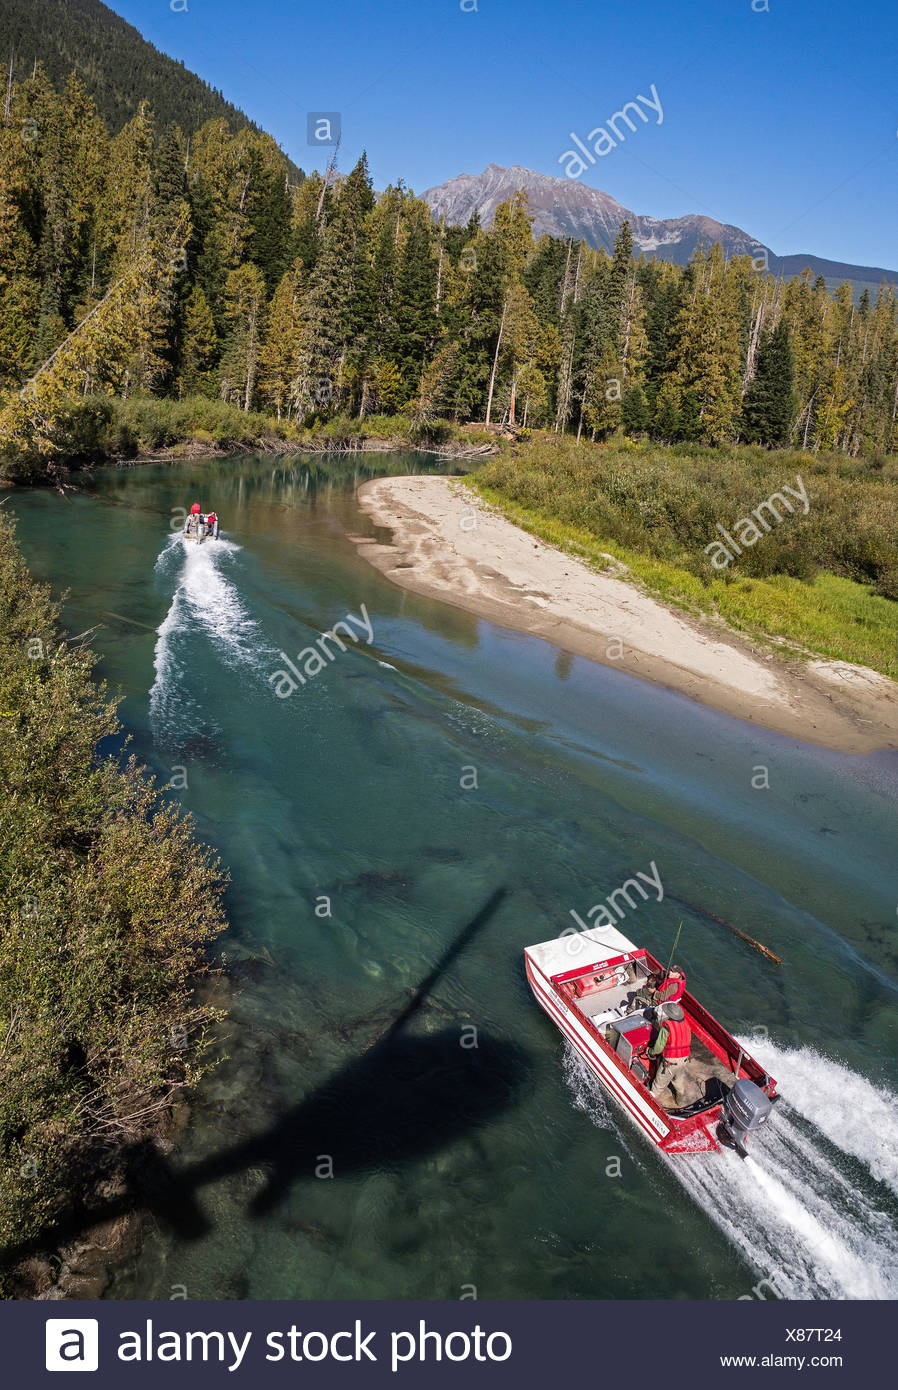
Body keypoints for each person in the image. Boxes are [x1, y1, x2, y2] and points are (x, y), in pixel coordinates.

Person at [648, 1002, 691, 1105]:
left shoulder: (667, 1027)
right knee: (679, 1082)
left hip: (671, 1062)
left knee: (658, 1086)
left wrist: (650, 1051)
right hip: (684, 1059)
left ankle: (650, 1104)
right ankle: (680, 1102)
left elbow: (658, 1048)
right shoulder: (685, 1024)